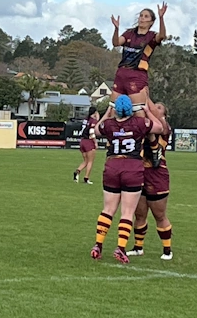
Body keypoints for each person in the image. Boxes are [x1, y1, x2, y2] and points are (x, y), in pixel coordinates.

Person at [90, 95, 164, 264]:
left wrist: (108, 112)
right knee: (128, 212)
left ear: (115, 109)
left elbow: (96, 130)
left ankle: (98, 245)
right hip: (132, 167)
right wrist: (146, 111)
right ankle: (121, 248)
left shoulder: (109, 124)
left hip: (112, 166)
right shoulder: (139, 123)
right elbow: (159, 128)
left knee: (108, 209)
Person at [127, 102, 173, 260]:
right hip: (140, 173)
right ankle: (138, 247)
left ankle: (167, 250)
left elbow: (160, 126)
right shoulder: (143, 126)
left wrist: (147, 105)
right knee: (139, 214)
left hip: (157, 175)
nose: (155, 108)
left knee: (159, 215)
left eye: (160, 107)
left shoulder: (164, 128)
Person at [109, 3, 167, 117]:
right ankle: (116, 134)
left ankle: (158, 128)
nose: (142, 18)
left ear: (151, 22)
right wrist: (116, 29)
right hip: (121, 73)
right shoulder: (129, 33)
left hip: (137, 74)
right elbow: (116, 43)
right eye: (141, 15)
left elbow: (162, 36)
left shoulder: (151, 36)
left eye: (146, 16)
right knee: (113, 110)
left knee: (138, 111)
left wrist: (161, 18)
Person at [73, 106, 100, 185]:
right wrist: (95, 142)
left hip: (82, 141)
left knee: (86, 161)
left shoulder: (86, 120)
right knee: (90, 161)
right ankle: (86, 178)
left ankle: (77, 171)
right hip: (88, 141)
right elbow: (91, 132)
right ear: (95, 112)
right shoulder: (93, 121)